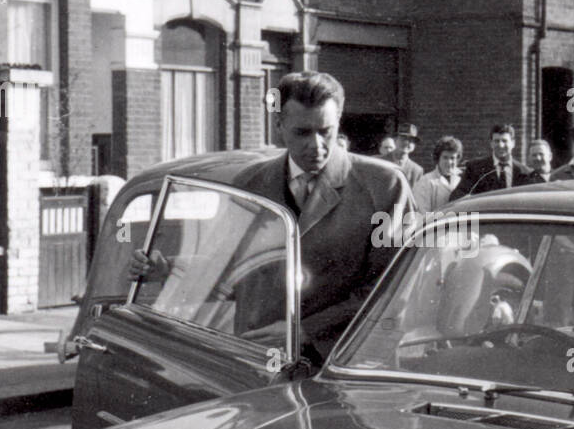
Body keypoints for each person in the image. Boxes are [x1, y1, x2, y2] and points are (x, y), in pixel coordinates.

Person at [135, 72, 413, 361]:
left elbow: (398, 285)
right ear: (279, 126)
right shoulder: (249, 184)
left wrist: (307, 330)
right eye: (302, 132)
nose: (316, 145)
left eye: (325, 131)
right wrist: (168, 269)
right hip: (260, 359)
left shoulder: (385, 186)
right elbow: (233, 266)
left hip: (346, 362)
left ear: (339, 123)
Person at [450, 124, 531, 199]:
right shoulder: (475, 168)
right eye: (496, 141)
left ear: (513, 143)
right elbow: (457, 196)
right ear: (491, 143)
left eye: (504, 141)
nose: (500, 145)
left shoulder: (525, 172)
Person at [413, 136, 463, 213]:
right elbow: (423, 212)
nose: (449, 162)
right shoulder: (425, 181)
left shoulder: (462, 179)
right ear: (438, 158)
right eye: (445, 157)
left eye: (452, 158)